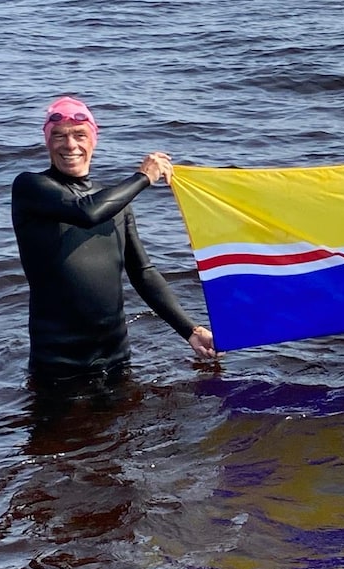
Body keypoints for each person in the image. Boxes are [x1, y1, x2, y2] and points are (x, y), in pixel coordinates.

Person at [11, 96, 218, 382]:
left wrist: (191, 331)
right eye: (58, 136)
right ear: (47, 142)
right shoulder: (31, 188)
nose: (70, 145)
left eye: (79, 135)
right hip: (58, 365)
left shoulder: (115, 201)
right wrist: (143, 177)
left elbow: (143, 273)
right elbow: (87, 213)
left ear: (94, 140)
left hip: (117, 358)